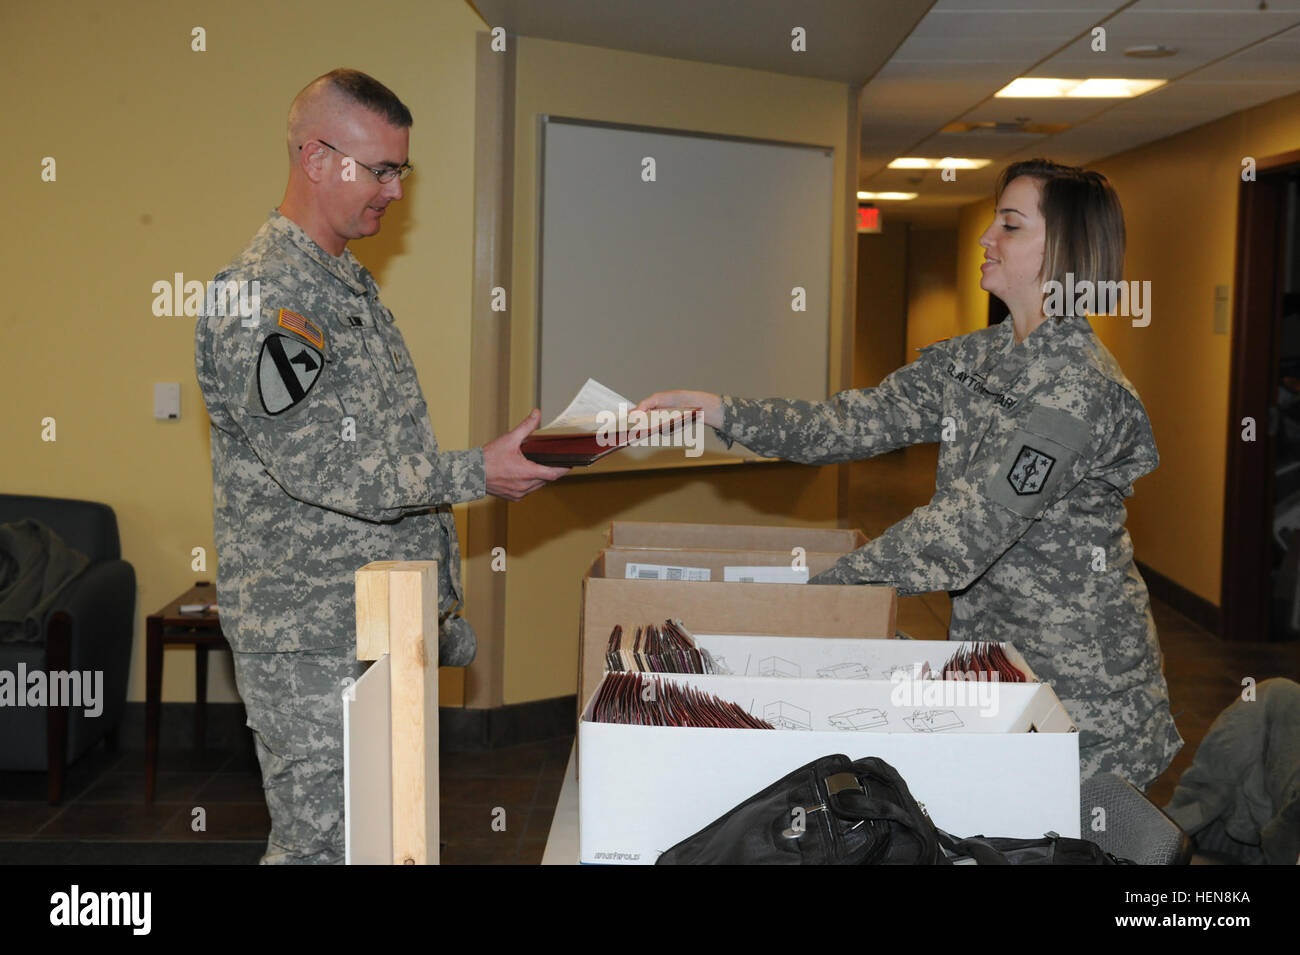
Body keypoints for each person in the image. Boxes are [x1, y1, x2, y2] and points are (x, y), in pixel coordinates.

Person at [637, 159, 1183, 790]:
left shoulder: (1079, 390)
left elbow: (960, 537)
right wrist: (720, 411)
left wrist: (810, 599)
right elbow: (849, 423)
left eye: (1009, 224)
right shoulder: (975, 359)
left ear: (1064, 249)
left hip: (1083, 695)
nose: (986, 238)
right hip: (995, 665)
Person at [194, 69, 567, 864]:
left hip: (379, 624)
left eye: (403, 169)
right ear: (316, 157)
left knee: (386, 838)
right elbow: (324, 468)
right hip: (310, 640)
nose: (396, 191)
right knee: (322, 847)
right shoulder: (261, 298)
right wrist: (480, 472)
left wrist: (442, 608)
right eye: (381, 169)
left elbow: (387, 454)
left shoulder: (345, 286)